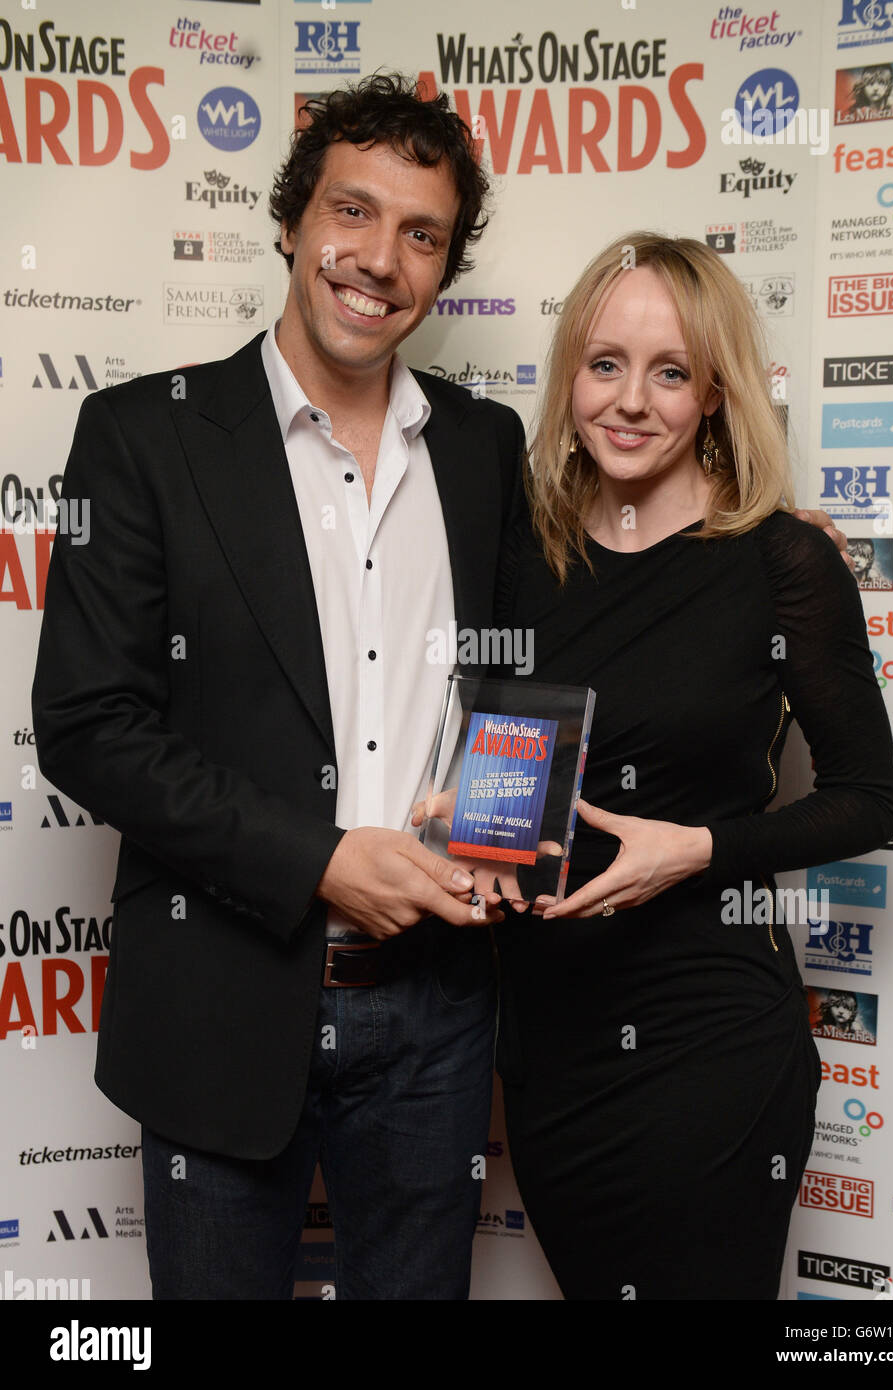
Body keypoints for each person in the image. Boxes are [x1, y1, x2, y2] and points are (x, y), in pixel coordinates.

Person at [30, 74, 520, 1302]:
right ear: (295, 220)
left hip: (435, 1022)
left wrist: (748, 538)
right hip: (218, 1008)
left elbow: (526, 676)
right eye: (352, 212)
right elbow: (89, 726)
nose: (379, 259)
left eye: (421, 234)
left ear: (444, 268)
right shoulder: (143, 435)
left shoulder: (483, 446)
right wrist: (318, 858)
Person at [486, 233, 893, 1300]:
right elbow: (510, 764)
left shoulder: (780, 560)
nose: (631, 401)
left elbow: (866, 801)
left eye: (670, 372)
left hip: (707, 1035)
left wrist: (699, 849)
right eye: (604, 363)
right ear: (568, 373)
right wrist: (462, 818)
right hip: (549, 1043)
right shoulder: (517, 557)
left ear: (715, 392)